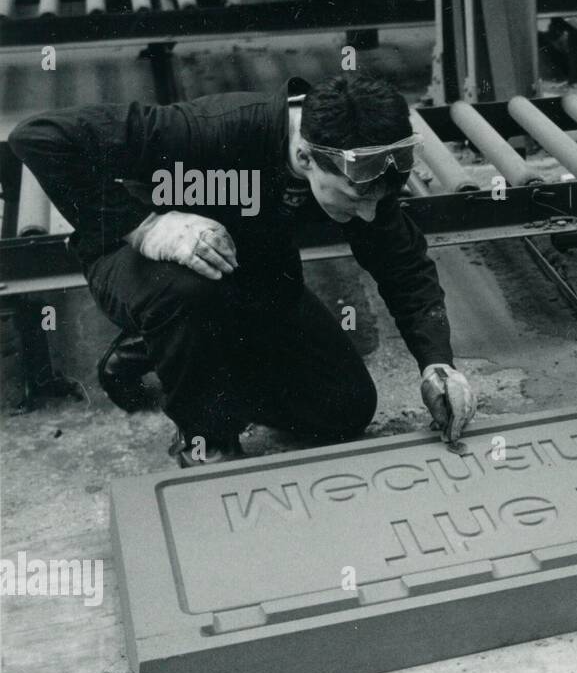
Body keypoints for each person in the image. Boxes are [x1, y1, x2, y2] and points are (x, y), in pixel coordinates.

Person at [9, 75, 476, 467]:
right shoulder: (206, 130)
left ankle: (187, 358)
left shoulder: (365, 163)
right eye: (356, 201)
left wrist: (437, 363)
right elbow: (38, 136)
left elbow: (403, 264)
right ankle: (204, 436)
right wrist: (145, 225)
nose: (370, 216)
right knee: (187, 292)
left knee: (344, 409)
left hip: (253, 275)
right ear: (307, 157)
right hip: (142, 263)